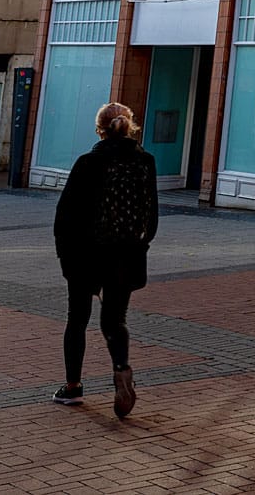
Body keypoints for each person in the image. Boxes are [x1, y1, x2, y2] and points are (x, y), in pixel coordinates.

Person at [51, 101, 158, 416]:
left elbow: (65, 214)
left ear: (99, 130)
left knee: (77, 319)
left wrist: (64, 254)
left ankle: (73, 387)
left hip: (86, 254)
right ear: (130, 126)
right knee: (115, 320)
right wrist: (140, 244)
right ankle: (122, 370)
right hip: (126, 254)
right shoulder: (146, 162)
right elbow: (151, 215)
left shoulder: (89, 162)